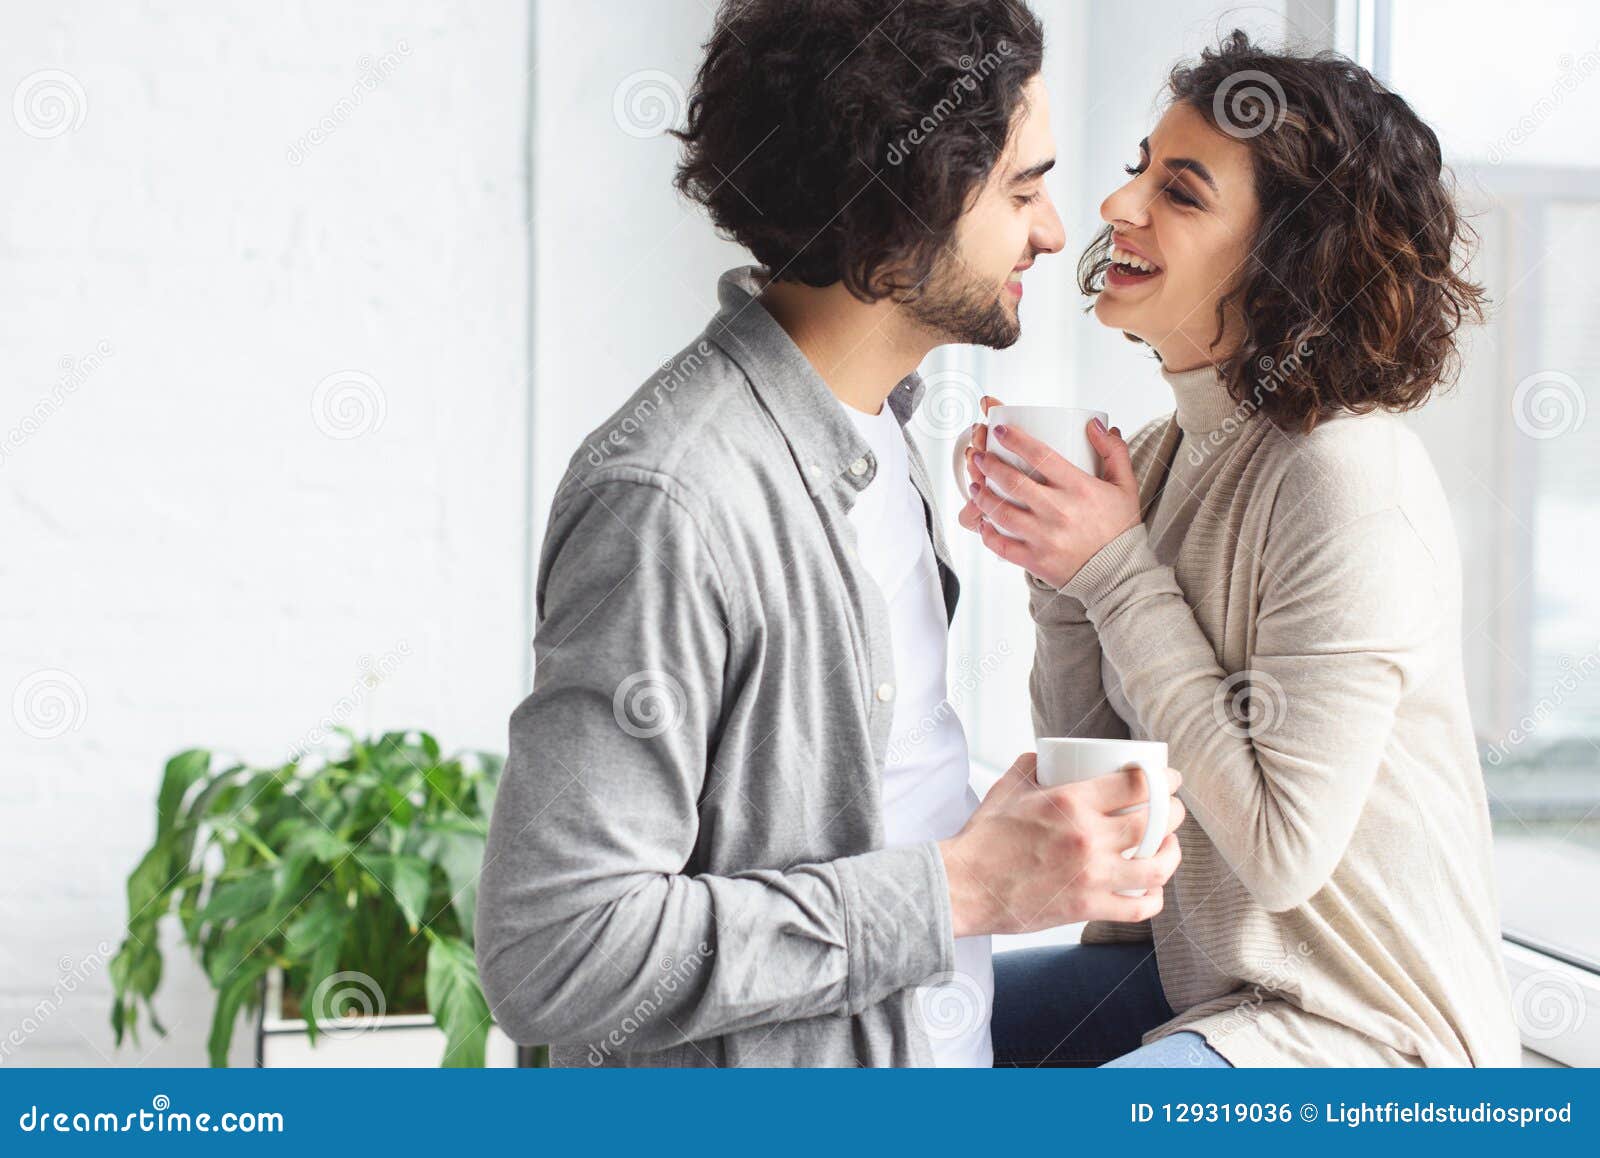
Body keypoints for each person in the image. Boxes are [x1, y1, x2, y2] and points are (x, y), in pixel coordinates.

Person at [475, 0, 1182, 1068]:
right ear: (906, 203)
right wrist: (965, 883)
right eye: (1022, 189)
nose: (1049, 231)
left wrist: (988, 853)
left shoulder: (880, 437)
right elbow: (558, 954)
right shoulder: (675, 497)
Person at [963, 31, 1520, 1067]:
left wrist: (1112, 570)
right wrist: (1061, 575)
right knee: (892, 1031)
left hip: (1366, 1041)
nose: (1116, 206)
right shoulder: (1162, 458)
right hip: (1196, 985)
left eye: (1179, 192)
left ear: (1287, 256)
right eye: (1139, 169)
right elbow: (1100, 796)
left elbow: (1278, 855)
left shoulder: (1344, 478)